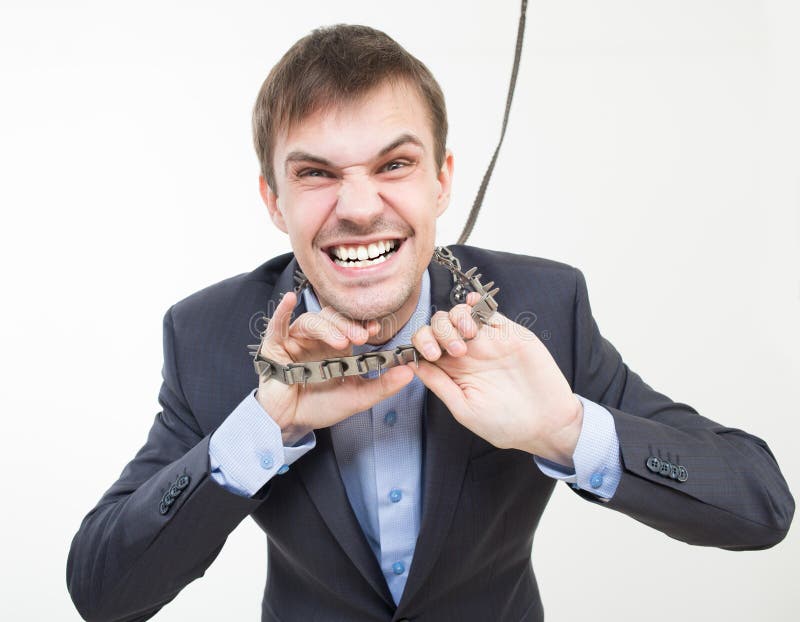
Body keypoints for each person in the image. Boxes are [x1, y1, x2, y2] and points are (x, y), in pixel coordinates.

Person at [67, 24, 794, 622]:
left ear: (442, 180)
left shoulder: (545, 308)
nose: (357, 208)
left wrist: (566, 428)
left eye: (394, 165)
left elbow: (759, 505)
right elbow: (102, 590)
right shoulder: (209, 336)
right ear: (273, 199)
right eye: (317, 174)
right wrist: (263, 425)